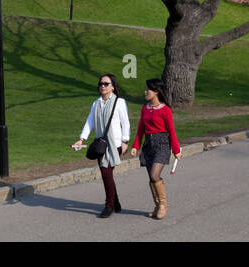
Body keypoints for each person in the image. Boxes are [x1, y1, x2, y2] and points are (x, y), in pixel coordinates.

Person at [71, 74, 130, 218]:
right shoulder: (96, 103)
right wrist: (81, 139)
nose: (102, 86)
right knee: (107, 174)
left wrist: (125, 141)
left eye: (106, 83)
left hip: (115, 143)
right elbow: (90, 122)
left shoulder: (119, 102)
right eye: (101, 84)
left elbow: (125, 122)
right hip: (101, 145)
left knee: (106, 173)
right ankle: (114, 202)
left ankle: (109, 205)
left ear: (113, 86)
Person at [129, 78, 181, 219]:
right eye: (145, 89)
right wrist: (135, 146)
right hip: (148, 145)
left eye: (148, 90)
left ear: (156, 91)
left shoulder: (165, 110)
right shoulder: (145, 108)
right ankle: (157, 205)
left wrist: (176, 150)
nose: (145, 92)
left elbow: (171, 130)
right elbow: (140, 130)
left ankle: (163, 205)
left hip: (162, 144)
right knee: (151, 178)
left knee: (154, 175)